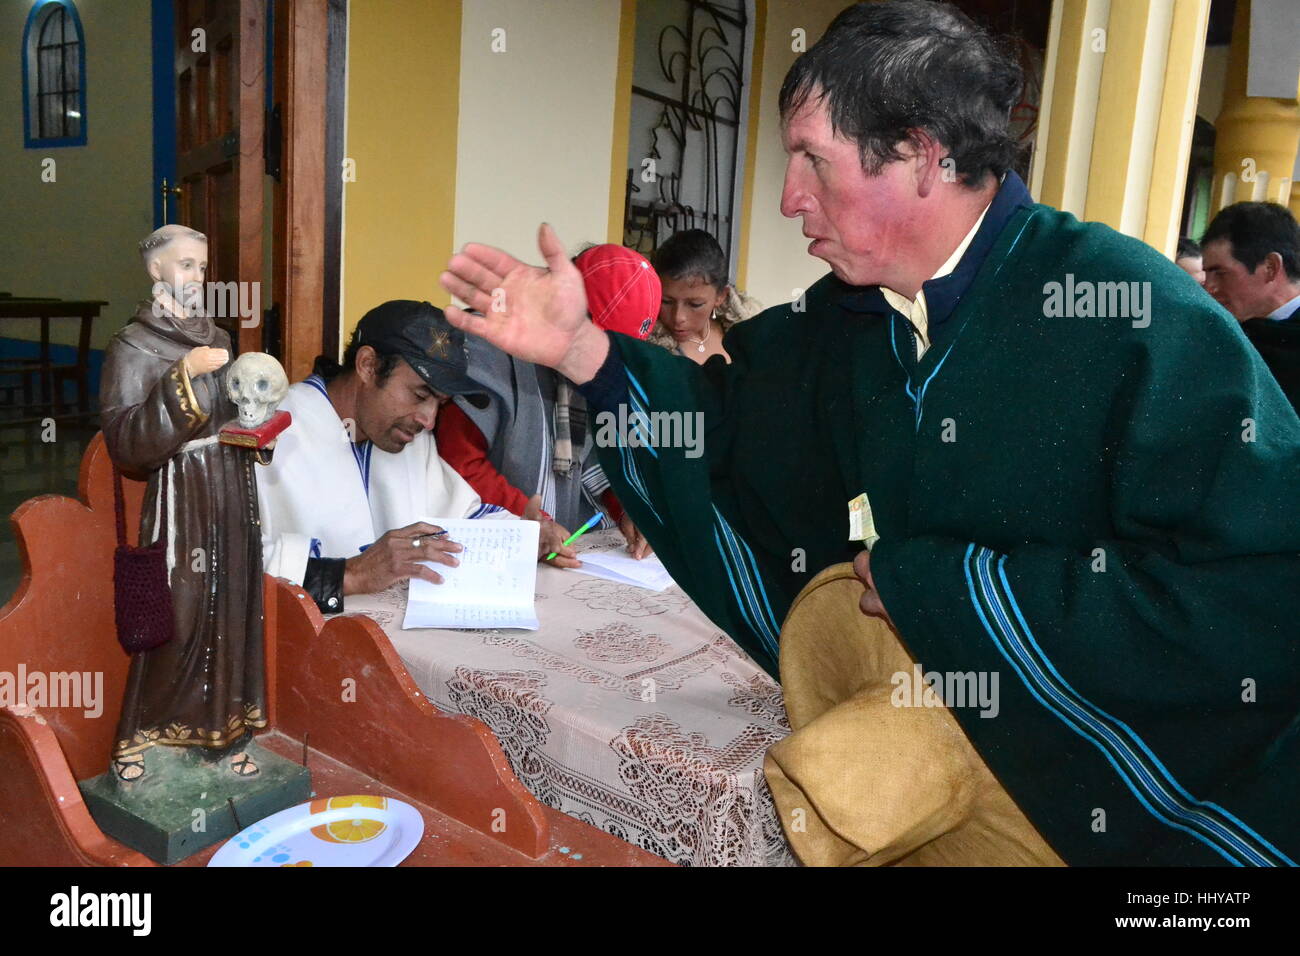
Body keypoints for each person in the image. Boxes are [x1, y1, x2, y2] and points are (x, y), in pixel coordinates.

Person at [440, 0, 1300, 867]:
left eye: (814, 159)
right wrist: (585, 349)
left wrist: (947, 590)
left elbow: (1264, 588)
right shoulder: (847, 320)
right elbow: (728, 433)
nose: (787, 198)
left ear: (923, 155)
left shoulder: (1130, 314)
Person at [255, 300, 565, 615]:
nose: (429, 420)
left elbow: (463, 520)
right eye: (419, 395)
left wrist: (525, 537)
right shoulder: (269, 434)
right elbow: (225, 572)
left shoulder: (409, 439)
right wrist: (353, 574)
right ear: (368, 366)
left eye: (440, 403)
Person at [100, 225, 265, 782]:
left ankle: (225, 732)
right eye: (186, 265)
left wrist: (256, 429)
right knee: (181, 613)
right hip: (181, 498)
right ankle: (141, 735)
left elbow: (236, 412)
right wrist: (183, 378)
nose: (197, 276)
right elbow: (125, 442)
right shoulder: (133, 345)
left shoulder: (218, 336)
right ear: (156, 272)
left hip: (232, 491)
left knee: (232, 606)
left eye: (201, 265)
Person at [434, 244, 660, 558]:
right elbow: (458, 461)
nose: (597, 358)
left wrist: (626, 507)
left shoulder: (599, 373)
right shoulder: (485, 343)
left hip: (560, 551)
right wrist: (531, 522)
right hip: (482, 551)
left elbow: (601, 458)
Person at [1201, 201, 1300, 407]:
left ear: (1270, 267)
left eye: (1220, 273)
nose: (1209, 288)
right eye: (1207, 274)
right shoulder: (1228, 337)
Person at [649, 229, 760, 363]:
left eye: (695, 304)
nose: (678, 317)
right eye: (666, 301)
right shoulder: (649, 349)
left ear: (720, 296)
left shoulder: (749, 336)